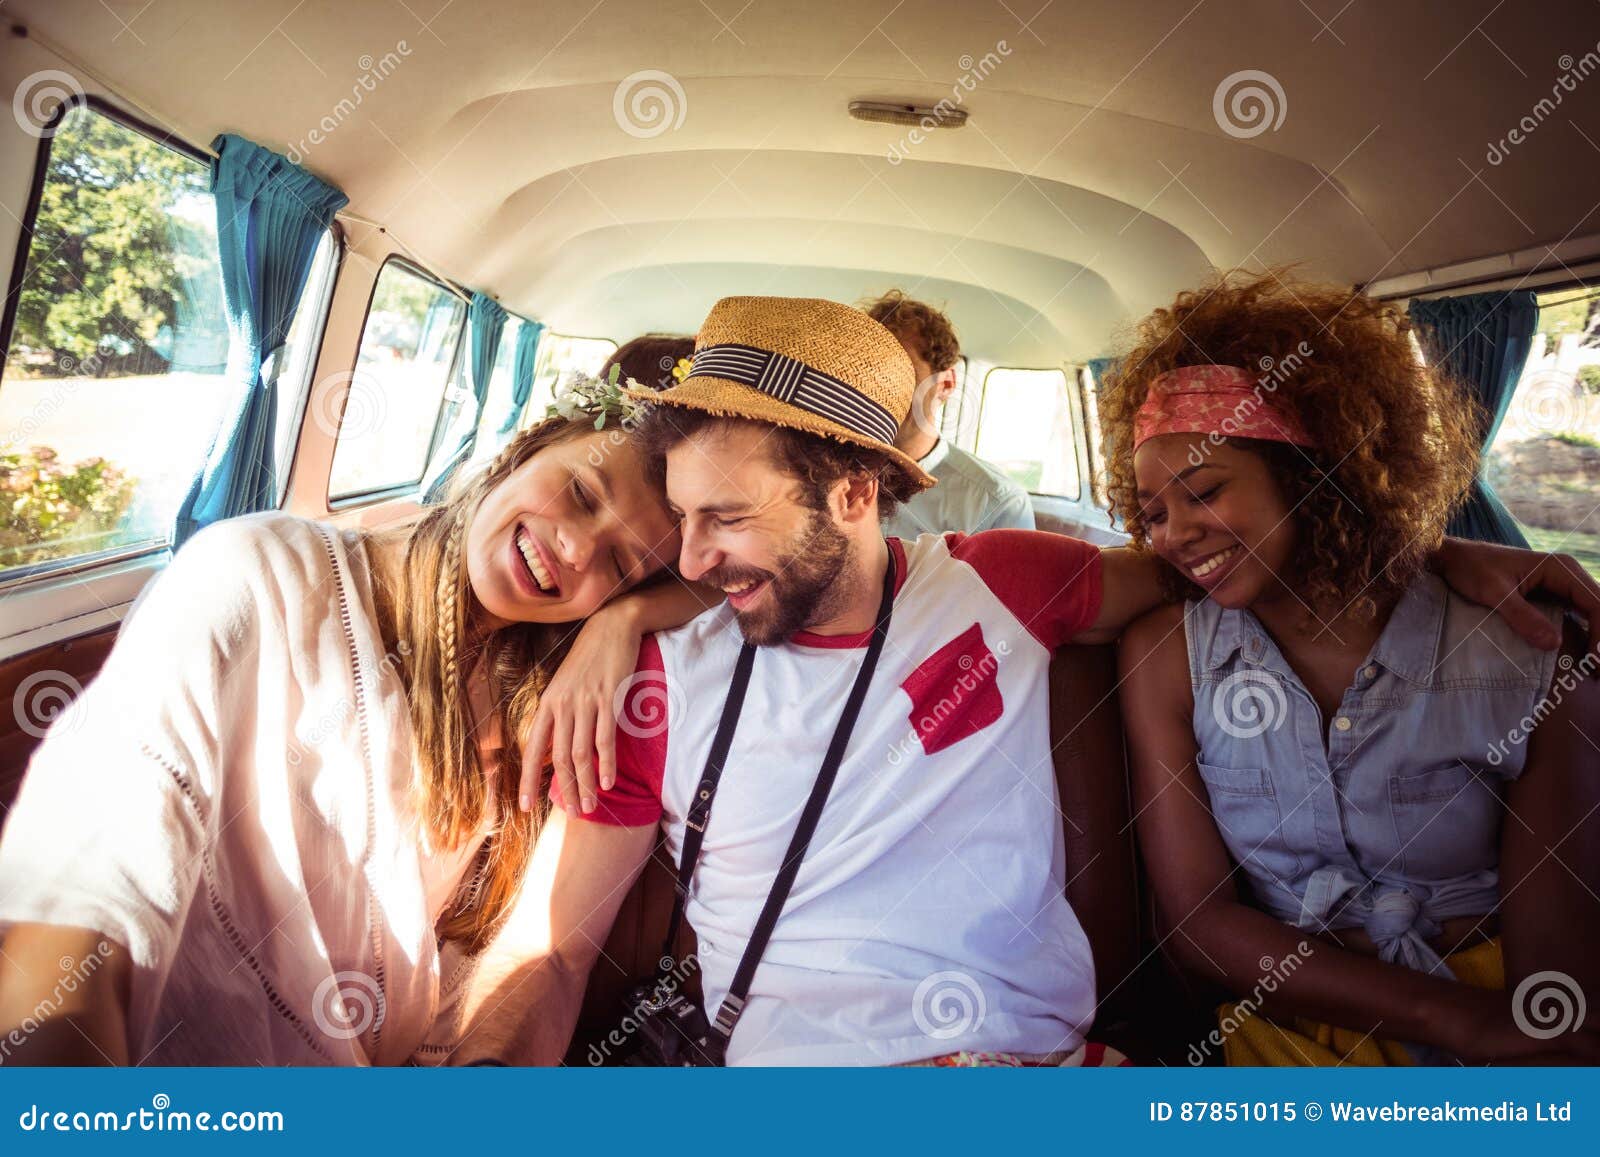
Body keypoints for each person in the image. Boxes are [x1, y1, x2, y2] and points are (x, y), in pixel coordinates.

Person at [443, 295, 1600, 1068]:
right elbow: (552, 943)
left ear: (853, 495)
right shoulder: (655, 670)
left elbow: (1246, 545)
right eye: (682, 526)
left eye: (727, 520)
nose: (689, 561)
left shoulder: (1002, 580)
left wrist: (1440, 553)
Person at [0, 379, 707, 1065]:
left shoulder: (540, 698)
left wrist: (628, 615)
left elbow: (732, 588)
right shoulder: (258, 576)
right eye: (581, 493)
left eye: (618, 564)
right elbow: (99, 862)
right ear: (524, 448)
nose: (578, 549)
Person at [1108, 271, 1600, 1065]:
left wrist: (1495, 1034)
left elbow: (1560, 968)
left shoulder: (1528, 648)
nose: (1173, 535)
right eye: (1153, 512)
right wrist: (1453, 1021)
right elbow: (1199, 923)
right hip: (1287, 1025)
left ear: (1316, 471)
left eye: (1203, 492)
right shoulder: (1168, 657)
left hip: (1503, 1010)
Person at [862, 290, 1035, 538]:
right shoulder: (826, 477)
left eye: (904, 371)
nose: (883, 389)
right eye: (871, 371)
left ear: (946, 383)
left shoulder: (996, 504)